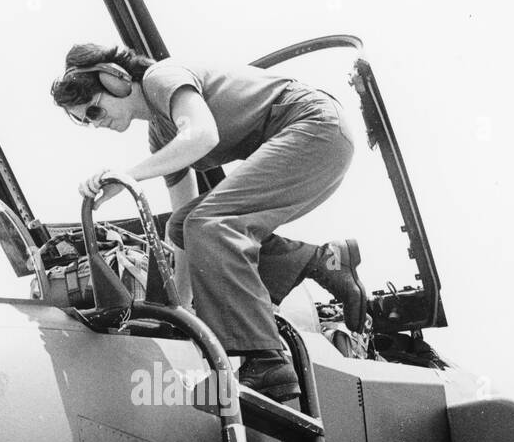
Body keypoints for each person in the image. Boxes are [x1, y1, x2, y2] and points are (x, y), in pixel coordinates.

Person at [50, 42, 366, 401]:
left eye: (94, 108)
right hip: (312, 137)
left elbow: (203, 135)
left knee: (210, 223)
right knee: (186, 224)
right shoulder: (162, 133)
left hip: (315, 127)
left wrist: (127, 177)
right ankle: (323, 260)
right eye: (85, 120)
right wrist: (178, 310)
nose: (96, 121)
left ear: (116, 79)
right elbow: (184, 231)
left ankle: (266, 361)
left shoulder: (160, 78)